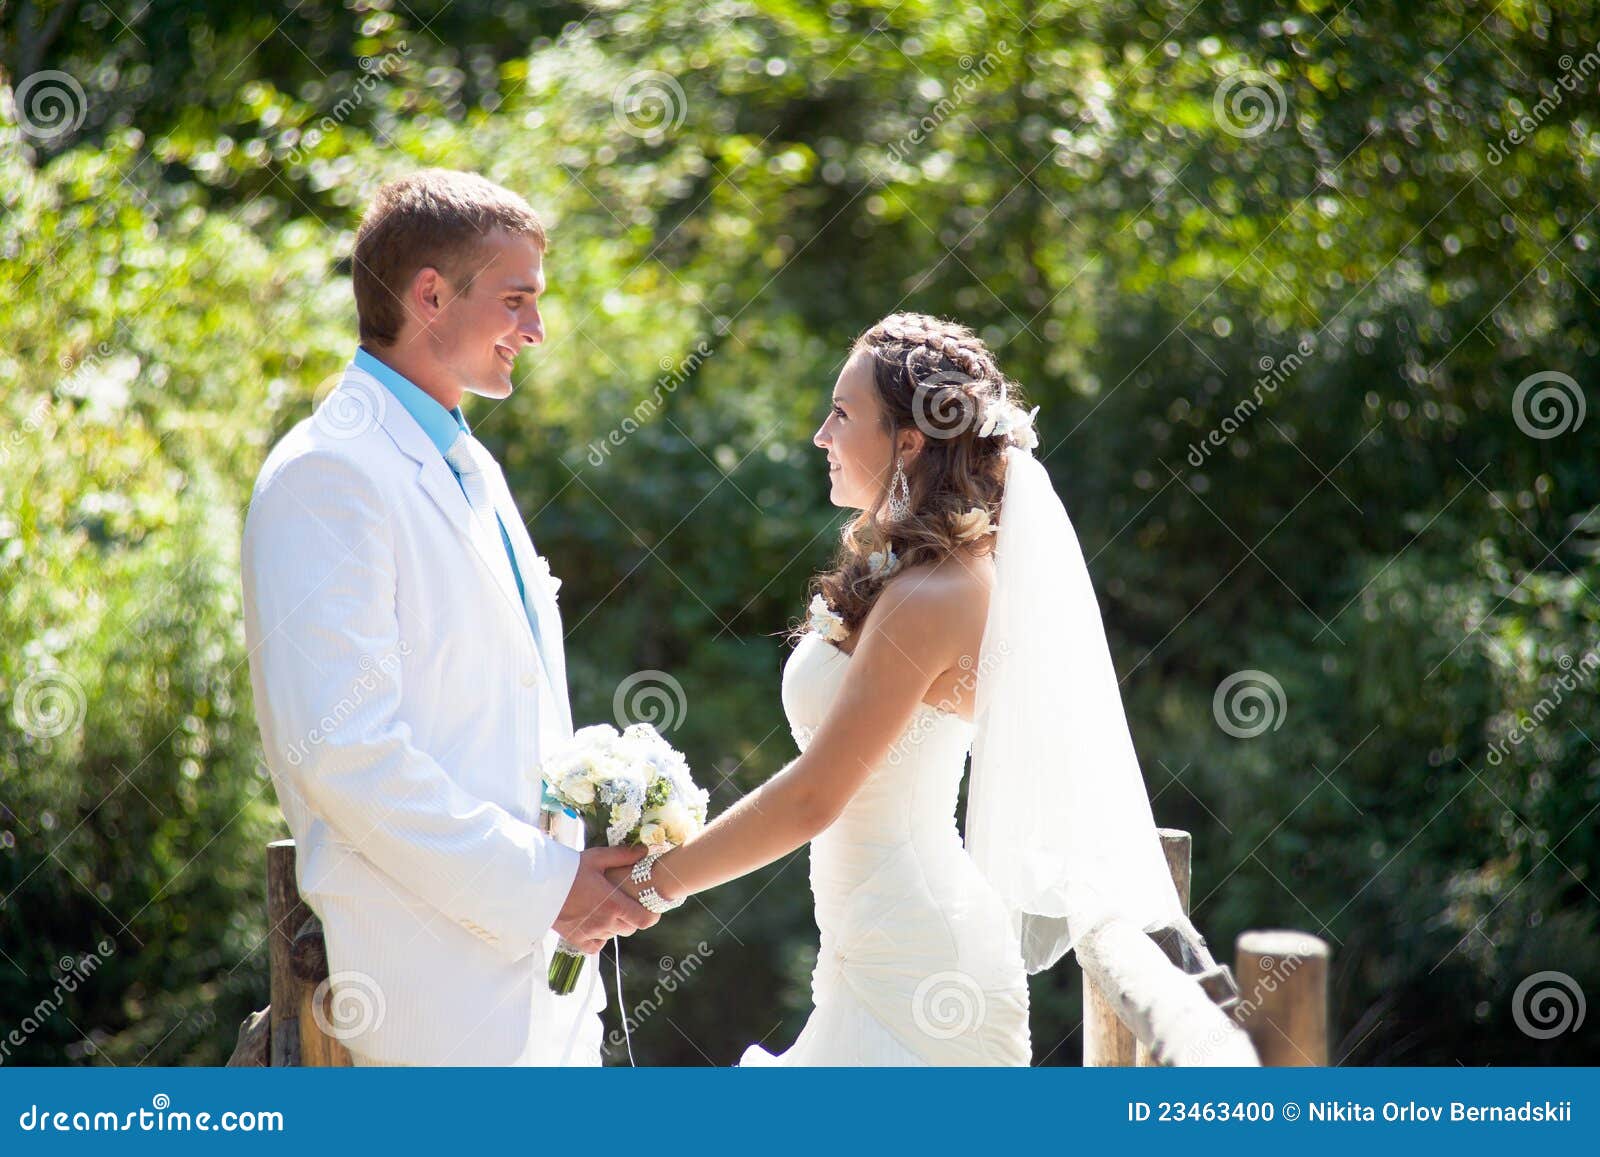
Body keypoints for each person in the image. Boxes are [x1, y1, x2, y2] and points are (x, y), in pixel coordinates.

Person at [611, 313, 1188, 1065]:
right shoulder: (909, 574)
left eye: (842, 415)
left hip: (922, 976)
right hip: (869, 956)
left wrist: (650, 885)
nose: (821, 435)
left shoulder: (937, 593)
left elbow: (818, 795)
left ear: (908, 442)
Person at [241, 169, 654, 1066]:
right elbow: (347, 755)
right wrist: (546, 885)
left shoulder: (468, 460)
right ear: (429, 294)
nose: (535, 331)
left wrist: (584, 859)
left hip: (536, 979)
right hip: (430, 990)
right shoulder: (330, 473)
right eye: (516, 300)